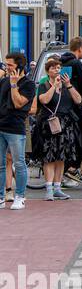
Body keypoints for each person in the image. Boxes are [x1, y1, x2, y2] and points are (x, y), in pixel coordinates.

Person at [35, 56, 82, 200]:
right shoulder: (44, 85)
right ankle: (48, 188)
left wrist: (68, 85)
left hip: (65, 124)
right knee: (49, 157)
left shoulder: (67, 84)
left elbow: (78, 100)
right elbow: (43, 100)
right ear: (48, 71)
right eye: (53, 68)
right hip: (49, 124)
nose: (56, 70)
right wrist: (54, 87)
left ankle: (57, 187)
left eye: (58, 68)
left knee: (61, 157)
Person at [0, 52, 35, 210]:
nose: (7, 68)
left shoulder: (28, 84)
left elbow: (19, 103)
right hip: (1, 125)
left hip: (15, 127)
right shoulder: (3, 81)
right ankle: (1, 196)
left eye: (10, 65)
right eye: (6, 65)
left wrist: (14, 85)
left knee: (19, 163)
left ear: (19, 67)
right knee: (0, 164)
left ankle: (20, 196)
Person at [60, 37, 82, 184]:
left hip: (62, 106)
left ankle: (63, 170)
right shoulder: (76, 63)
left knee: (67, 139)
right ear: (80, 49)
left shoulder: (61, 62)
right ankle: (71, 168)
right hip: (75, 105)